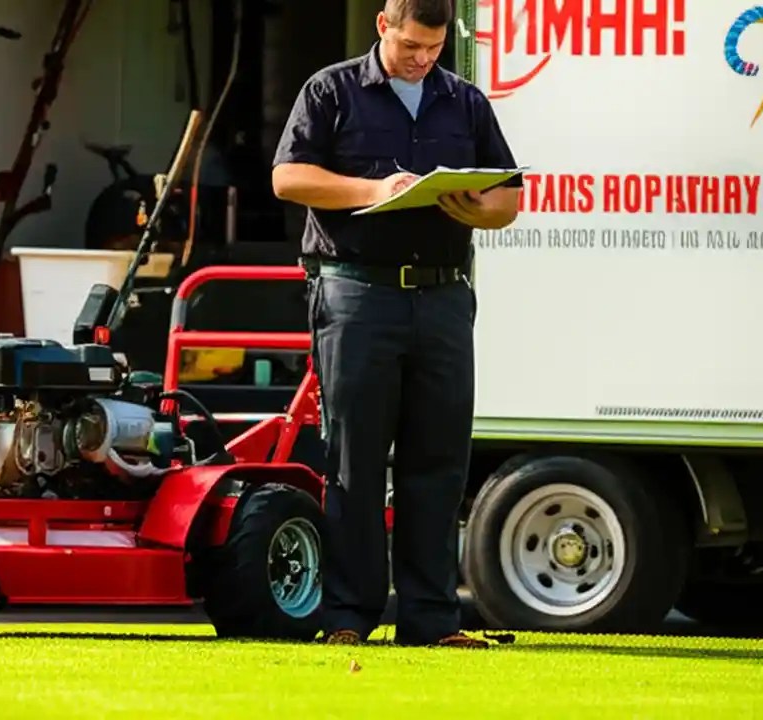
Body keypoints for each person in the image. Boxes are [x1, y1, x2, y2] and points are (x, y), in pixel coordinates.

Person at [271, 0, 521, 648]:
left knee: (438, 463)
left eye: (433, 49)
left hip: (442, 298)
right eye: (412, 45)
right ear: (384, 26)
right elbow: (288, 177)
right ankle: (349, 618)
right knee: (354, 461)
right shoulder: (331, 90)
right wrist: (374, 191)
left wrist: (478, 210)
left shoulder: (464, 101)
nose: (422, 59)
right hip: (357, 293)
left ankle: (432, 624)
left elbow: (509, 196)